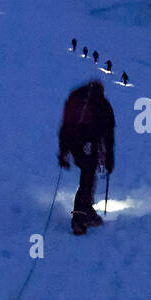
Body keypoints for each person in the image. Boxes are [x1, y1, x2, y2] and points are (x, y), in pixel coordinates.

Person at [58, 80, 115, 235]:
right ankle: (80, 218)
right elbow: (109, 134)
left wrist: (63, 152)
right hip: (90, 144)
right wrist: (109, 159)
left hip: (74, 144)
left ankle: (86, 209)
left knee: (87, 176)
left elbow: (65, 126)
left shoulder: (76, 99)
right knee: (87, 178)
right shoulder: (102, 104)